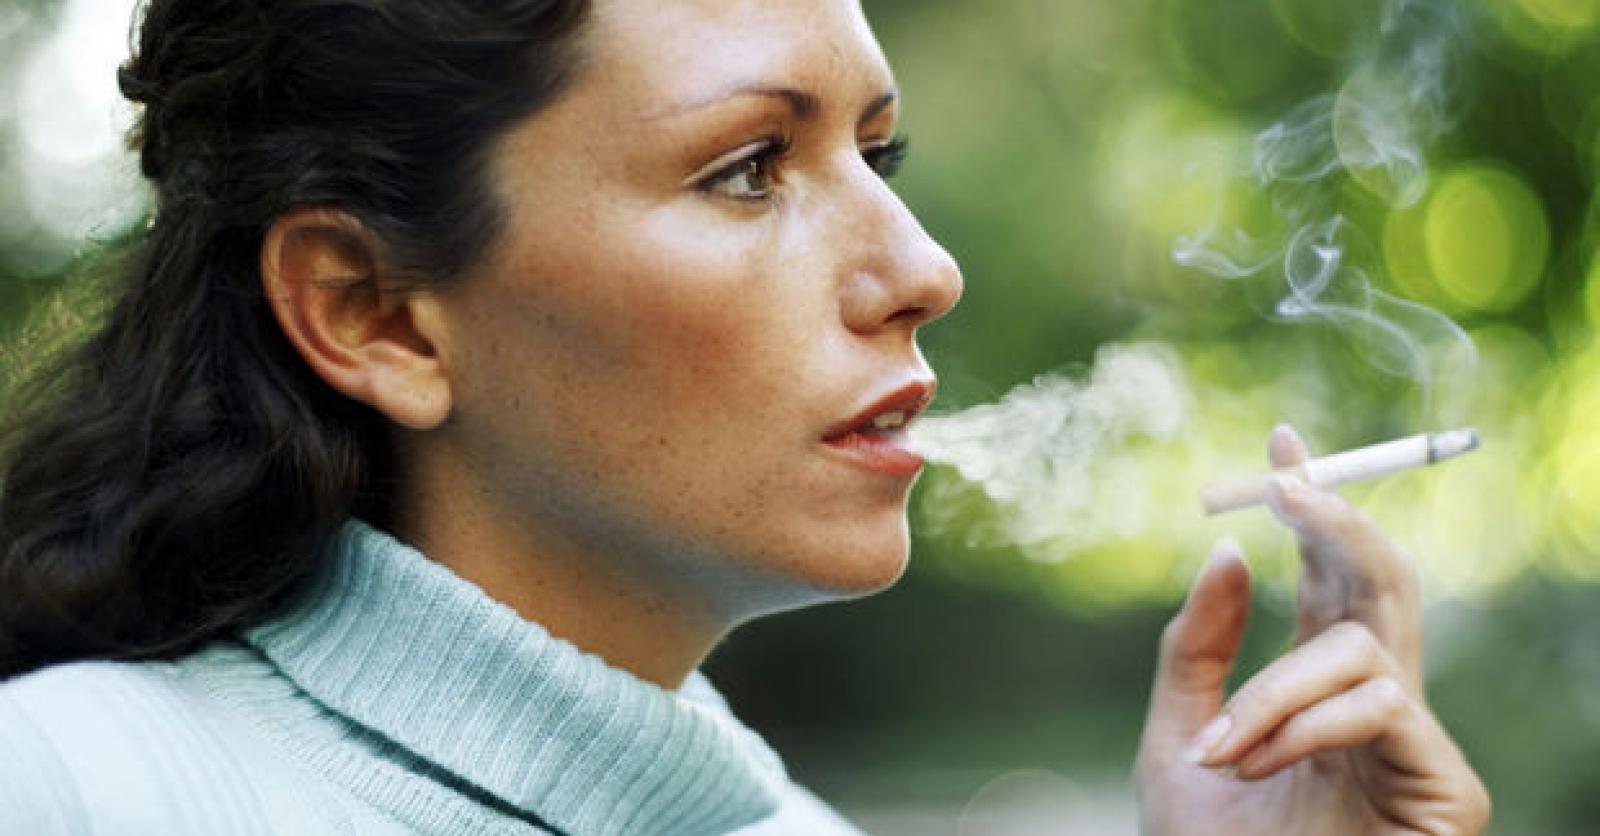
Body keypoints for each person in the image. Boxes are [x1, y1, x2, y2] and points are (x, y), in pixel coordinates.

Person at [0, 0, 1489, 833]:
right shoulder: (68, 791)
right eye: (748, 171)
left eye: (879, 155)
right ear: (372, 311)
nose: (923, 270)